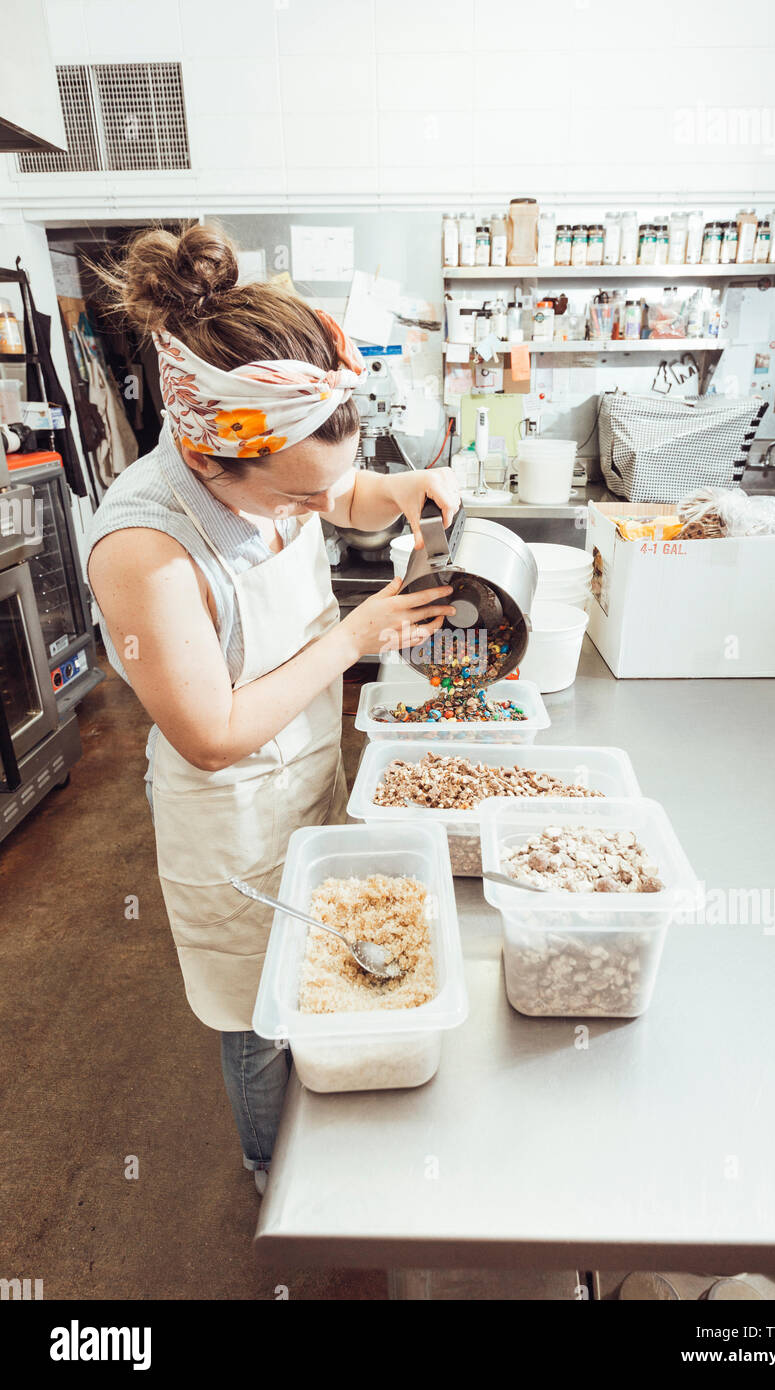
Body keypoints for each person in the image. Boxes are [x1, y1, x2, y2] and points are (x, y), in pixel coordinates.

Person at [86, 225, 459, 1193]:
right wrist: (350, 639)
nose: (315, 515)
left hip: (306, 778)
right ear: (215, 463)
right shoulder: (143, 546)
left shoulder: (273, 466)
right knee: (259, 1019)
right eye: (297, 501)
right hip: (233, 830)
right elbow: (208, 735)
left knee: (323, 976)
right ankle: (270, 1167)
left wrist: (402, 490)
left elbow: (337, 493)